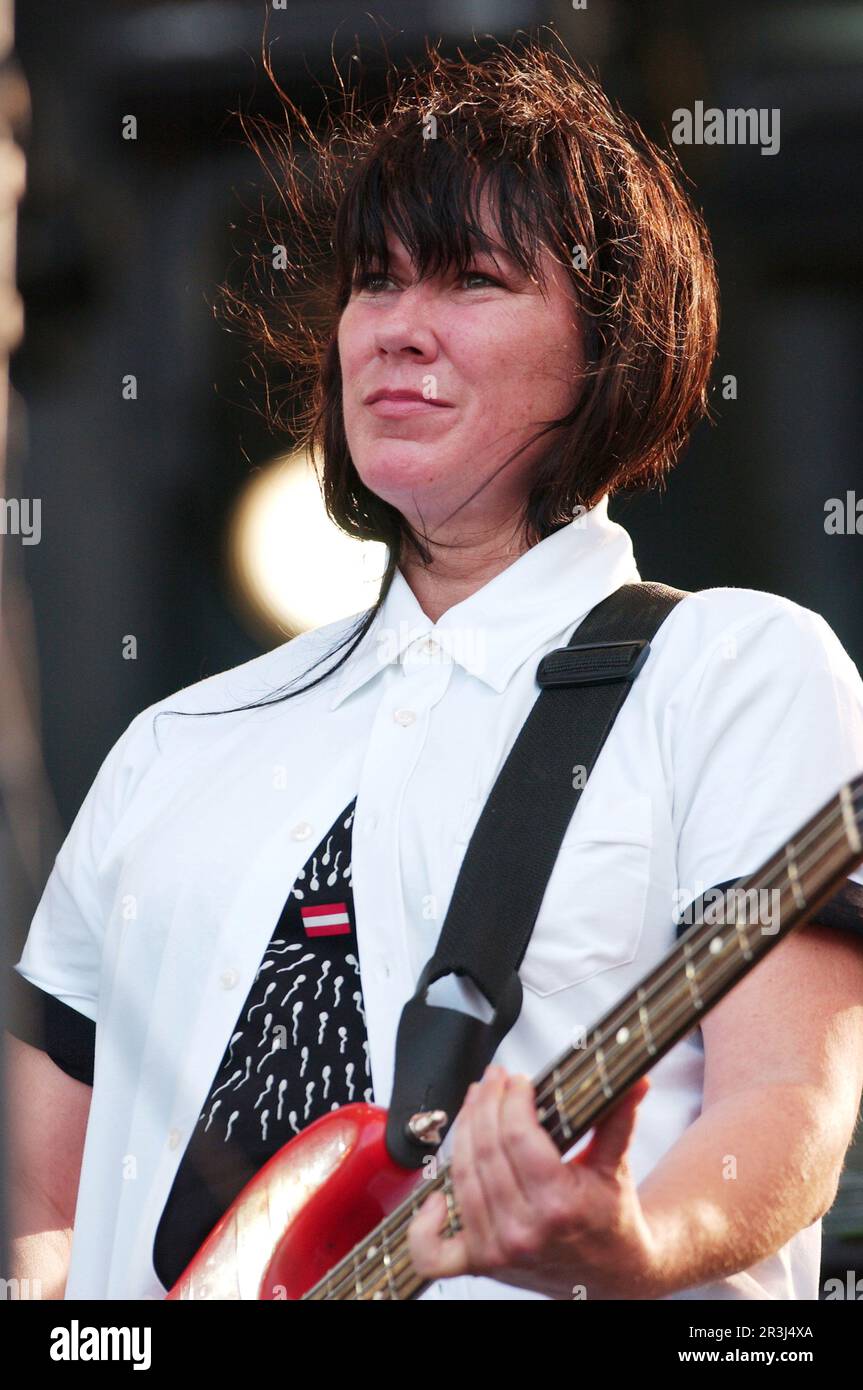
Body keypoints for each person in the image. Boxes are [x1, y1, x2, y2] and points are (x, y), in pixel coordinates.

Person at [7, 37, 863, 1303]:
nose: (396, 330)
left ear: (605, 347)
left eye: (469, 280)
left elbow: (788, 1100)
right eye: (371, 282)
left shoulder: (732, 669)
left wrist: (633, 1242)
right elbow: (37, 1189)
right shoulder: (176, 740)